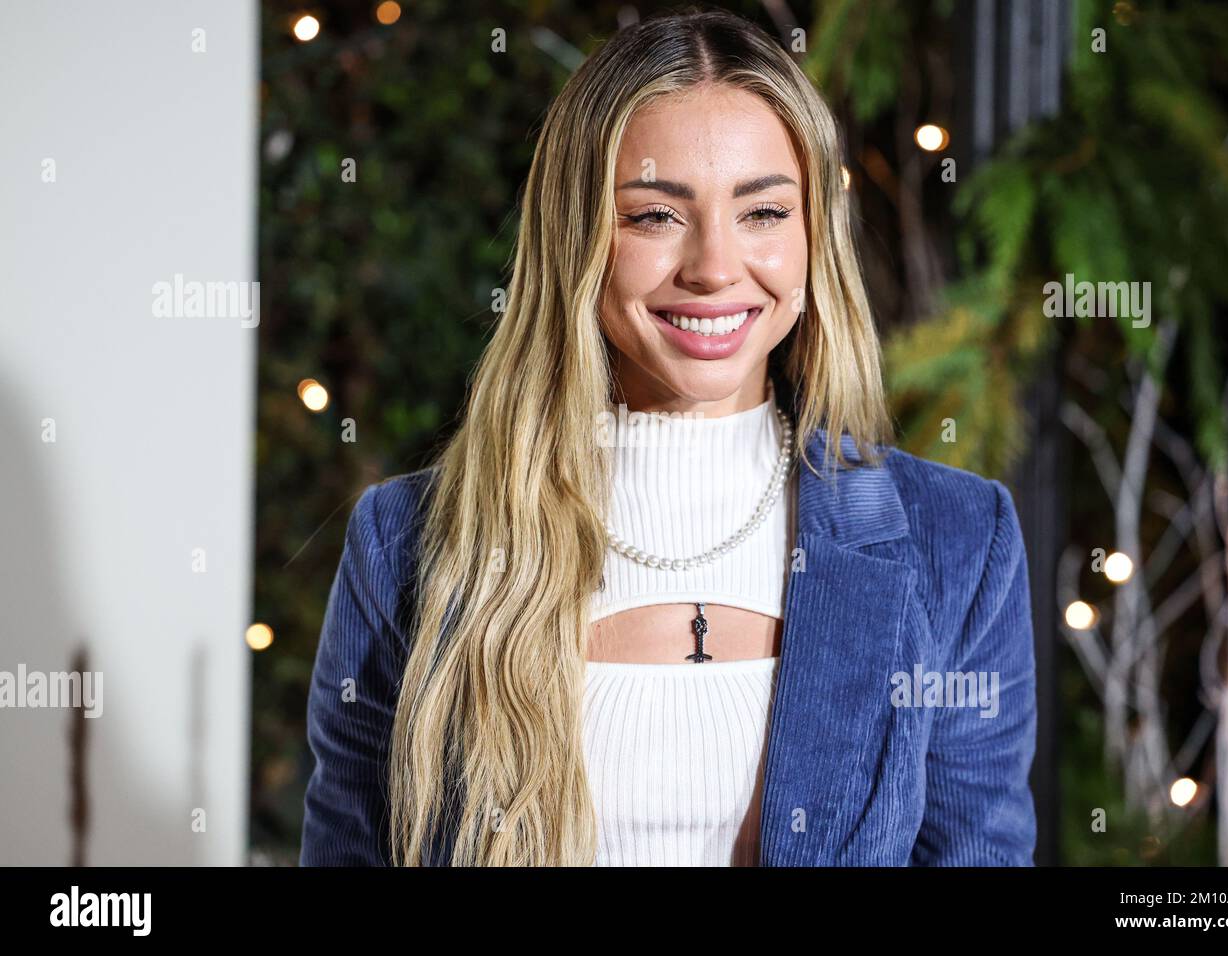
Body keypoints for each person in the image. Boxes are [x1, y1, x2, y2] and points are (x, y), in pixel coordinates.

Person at [300, 7, 1037, 867]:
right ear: (576, 238)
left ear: (812, 239)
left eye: (762, 212)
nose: (715, 267)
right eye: (655, 216)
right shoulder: (404, 548)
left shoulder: (958, 541)